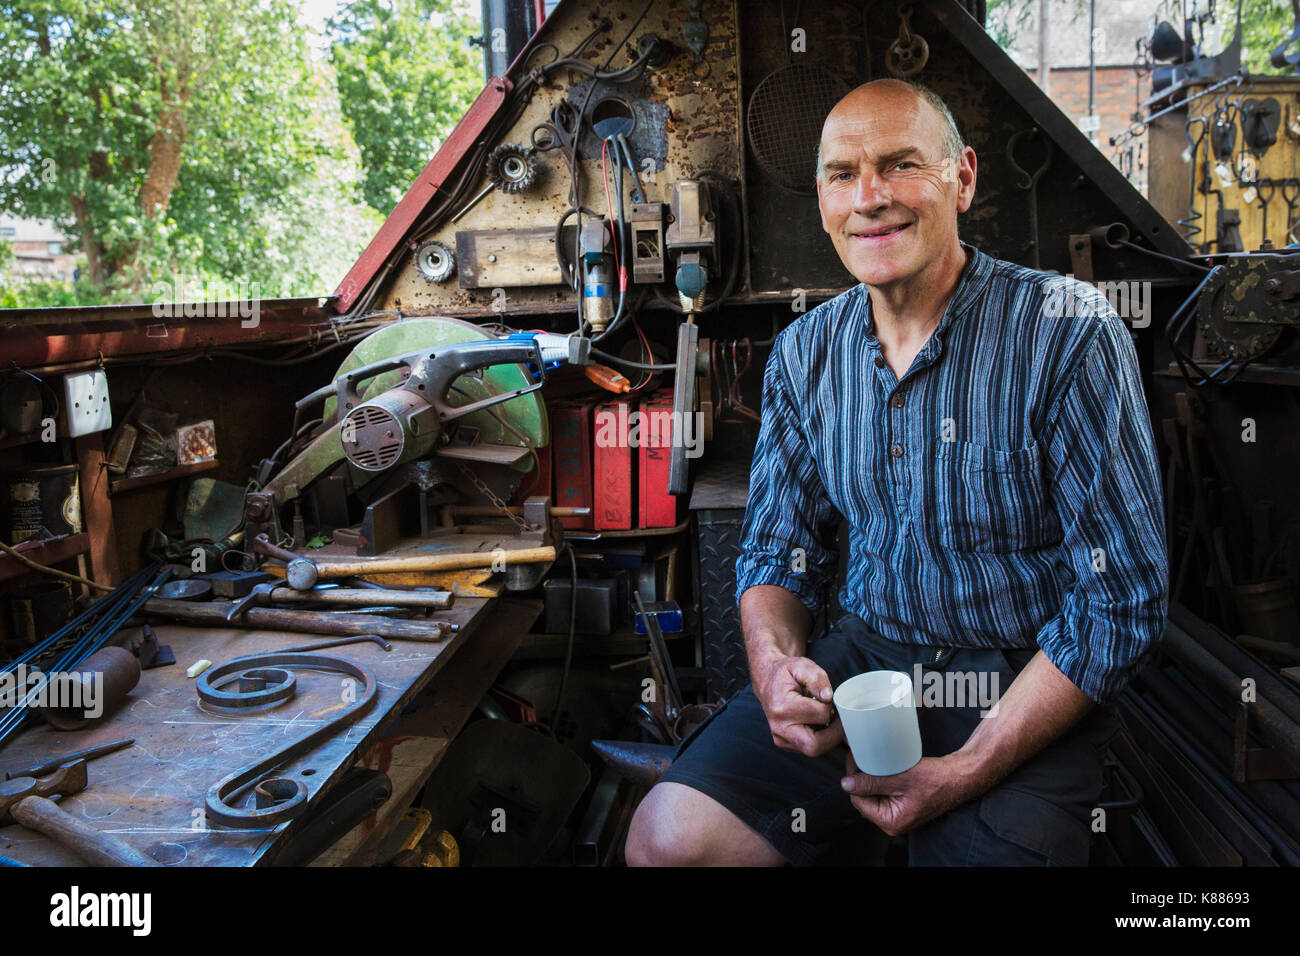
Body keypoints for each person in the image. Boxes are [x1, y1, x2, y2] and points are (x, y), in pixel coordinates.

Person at [625, 78, 1169, 866]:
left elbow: (1121, 599)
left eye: (901, 164)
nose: (870, 197)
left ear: (964, 177)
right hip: (870, 663)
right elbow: (777, 553)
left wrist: (966, 770)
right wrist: (775, 666)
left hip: (1024, 678)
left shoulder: (1068, 334)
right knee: (669, 840)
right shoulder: (806, 353)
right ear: (822, 200)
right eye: (844, 174)